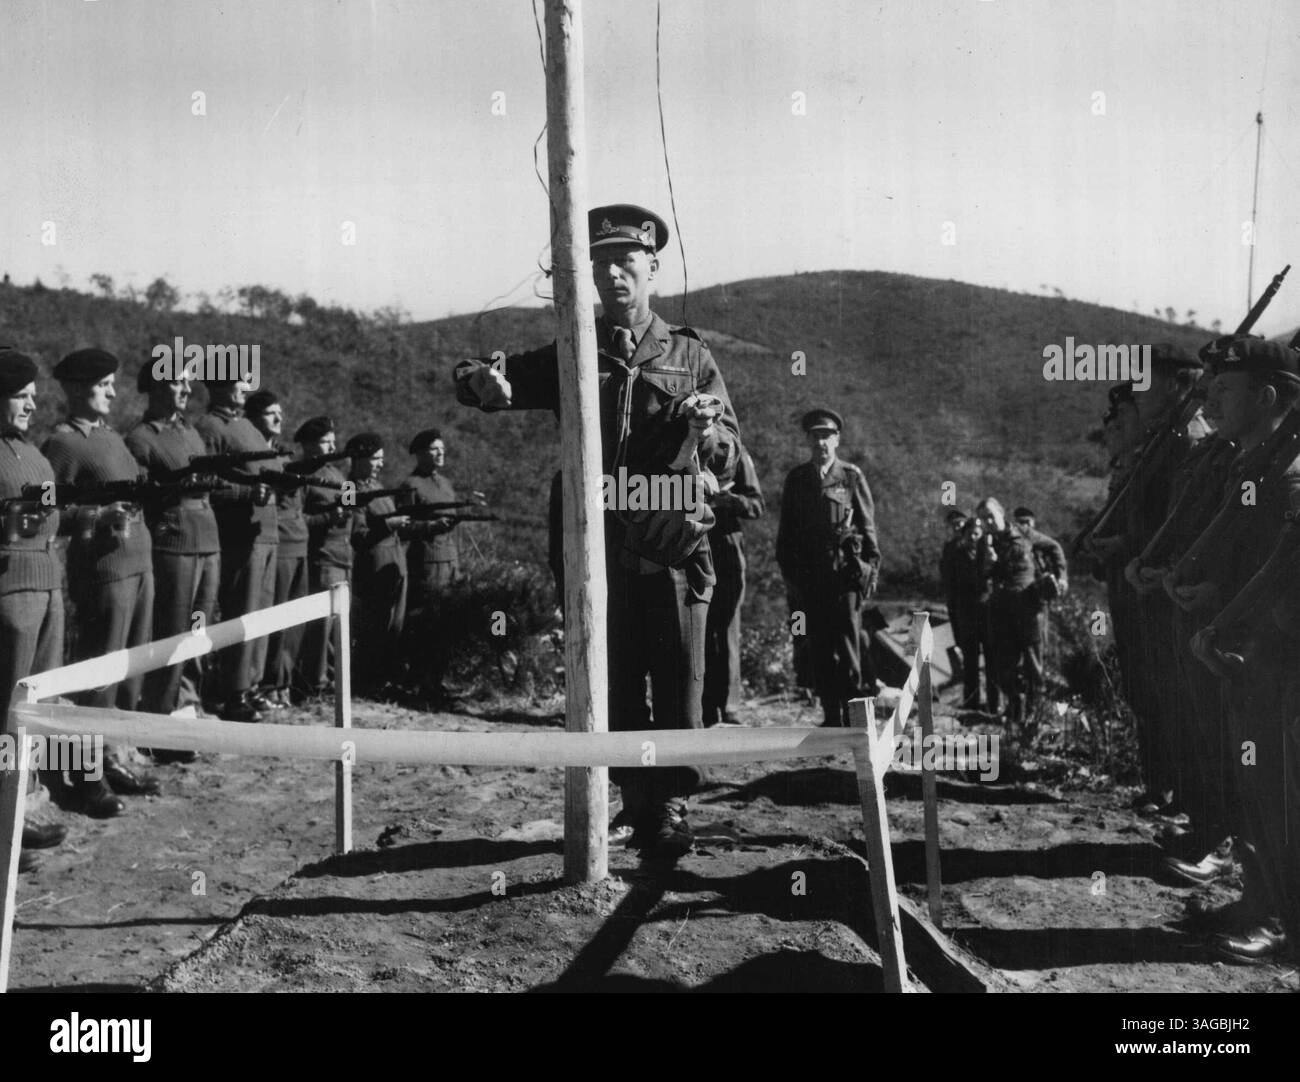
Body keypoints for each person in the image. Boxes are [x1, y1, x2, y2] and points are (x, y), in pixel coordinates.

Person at [454, 202, 739, 860]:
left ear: (652, 269)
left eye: (627, 262)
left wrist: (706, 429)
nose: (614, 274)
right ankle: (633, 799)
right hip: (593, 545)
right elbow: (474, 378)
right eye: (602, 262)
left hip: (667, 546)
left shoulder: (691, 356)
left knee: (676, 675)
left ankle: (670, 801)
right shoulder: (573, 350)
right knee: (607, 673)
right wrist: (483, 385)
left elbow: (727, 457)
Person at [1174, 334, 1300, 963]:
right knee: (1250, 783)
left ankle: (1280, 918)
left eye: (1226, 388)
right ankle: (1260, 898)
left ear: (1269, 396)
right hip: (1239, 652)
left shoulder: (1286, 475)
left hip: (1270, 659)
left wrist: (1244, 631)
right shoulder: (1251, 465)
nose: (1211, 398)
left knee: (1274, 788)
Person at [1085, 345, 1208, 810]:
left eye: (1145, 380)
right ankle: (1167, 791)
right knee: (1149, 687)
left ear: (1177, 384)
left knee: (1174, 695)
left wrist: (1126, 549)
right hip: (1141, 581)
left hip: (1165, 587)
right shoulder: (1160, 443)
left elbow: (1177, 522)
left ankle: (1188, 804)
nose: (1137, 390)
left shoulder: (1187, 440)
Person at [42, 348, 158, 806]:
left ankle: (114, 757)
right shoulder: (63, 444)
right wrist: (96, 513)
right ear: (75, 389)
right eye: (103, 383)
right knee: (97, 677)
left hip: (139, 564)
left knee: (129, 672)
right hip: (103, 572)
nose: (113, 390)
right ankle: (85, 779)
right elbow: (48, 511)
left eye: (114, 382)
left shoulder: (111, 437)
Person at [0, 347, 80, 862]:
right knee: (6, 715)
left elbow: (51, 519)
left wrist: (89, 518)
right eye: (20, 396)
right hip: (10, 594)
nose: (31, 405)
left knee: (35, 711)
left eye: (33, 396)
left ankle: (21, 812)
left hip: (49, 588)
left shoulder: (32, 454)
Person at [125, 364, 221, 752]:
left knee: (199, 627)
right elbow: (138, 496)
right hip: (173, 544)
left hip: (207, 541)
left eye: (186, 380)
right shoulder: (140, 438)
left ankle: (189, 705)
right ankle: (160, 722)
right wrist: (173, 488)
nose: (185, 387)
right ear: (153, 387)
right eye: (175, 380)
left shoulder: (192, 432)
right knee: (172, 629)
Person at [776, 408, 881, 728]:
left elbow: (867, 525)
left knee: (849, 645)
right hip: (811, 577)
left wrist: (871, 567)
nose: (821, 441)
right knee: (818, 645)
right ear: (808, 439)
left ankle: (854, 714)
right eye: (816, 435)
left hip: (845, 575)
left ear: (837, 439)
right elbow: (786, 533)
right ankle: (830, 713)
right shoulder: (797, 478)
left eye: (827, 435)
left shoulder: (850, 476)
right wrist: (790, 577)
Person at [196, 374, 278, 722]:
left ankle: (250, 685)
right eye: (239, 382)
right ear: (219, 387)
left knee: (260, 612)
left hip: (262, 530)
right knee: (240, 613)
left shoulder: (247, 427)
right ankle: (232, 692)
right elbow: (204, 485)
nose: (246, 387)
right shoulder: (209, 428)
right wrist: (246, 493)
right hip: (236, 535)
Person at [976, 495, 1066, 733]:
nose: (988, 522)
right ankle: (1016, 711)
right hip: (1002, 610)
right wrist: (989, 562)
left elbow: (1054, 548)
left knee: (1034, 664)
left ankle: (1036, 716)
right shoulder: (985, 543)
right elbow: (981, 577)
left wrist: (1062, 578)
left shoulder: (1024, 534)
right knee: (1004, 665)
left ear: (1001, 514)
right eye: (984, 519)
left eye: (991, 517)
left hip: (1029, 607)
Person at [245, 390, 305, 709]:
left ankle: (277, 684)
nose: (280, 419)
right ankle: (260, 685)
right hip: (266, 542)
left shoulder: (282, 457)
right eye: (271, 413)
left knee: (287, 622)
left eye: (280, 413)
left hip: (284, 542)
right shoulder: (254, 454)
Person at [702, 441, 764, 727]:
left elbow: (756, 505)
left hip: (726, 545)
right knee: (697, 629)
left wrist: (730, 501)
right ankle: (704, 707)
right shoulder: (682, 448)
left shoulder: (735, 454)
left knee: (727, 629)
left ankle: (729, 709)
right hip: (690, 544)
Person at [399, 428, 463, 702]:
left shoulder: (446, 484)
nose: (440, 454)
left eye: (442, 449)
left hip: (449, 561)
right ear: (421, 453)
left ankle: (438, 680)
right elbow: (403, 527)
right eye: (434, 449)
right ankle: (421, 681)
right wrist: (430, 526)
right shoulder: (410, 486)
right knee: (425, 622)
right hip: (425, 563)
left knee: (446, 624)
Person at [346, 431, 409, 692]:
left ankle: (384, 677)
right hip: (372, 565)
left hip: (394, 561)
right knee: (373, 624)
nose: (380, 464)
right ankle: (366, 681)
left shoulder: (379, 489)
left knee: (395, 623)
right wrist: (387, 525)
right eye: (375, 459)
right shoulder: (351, 489)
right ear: (359, 459)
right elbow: (357, 535)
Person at [294, 416, 352, 698]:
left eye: (332, 440)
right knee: (320, 625)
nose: (331, 445)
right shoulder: (302, 476)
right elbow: (297, 519)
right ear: (307, 445)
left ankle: (331, 678)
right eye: (324, 441)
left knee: (337, 627)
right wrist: (328, 517)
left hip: (342, 555)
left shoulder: (336, 475)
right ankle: (313, 682)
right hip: (321, 556)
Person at [941, 512, 997, 712]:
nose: (974, 537)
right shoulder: (956, 555)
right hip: (967, 613)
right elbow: (952, 587)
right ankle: (971, 704)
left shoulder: (990, 554)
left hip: (987, 613)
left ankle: (993, 704)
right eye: (970, 534)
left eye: (977, 533)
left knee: (992, 661)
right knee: (970, 663)